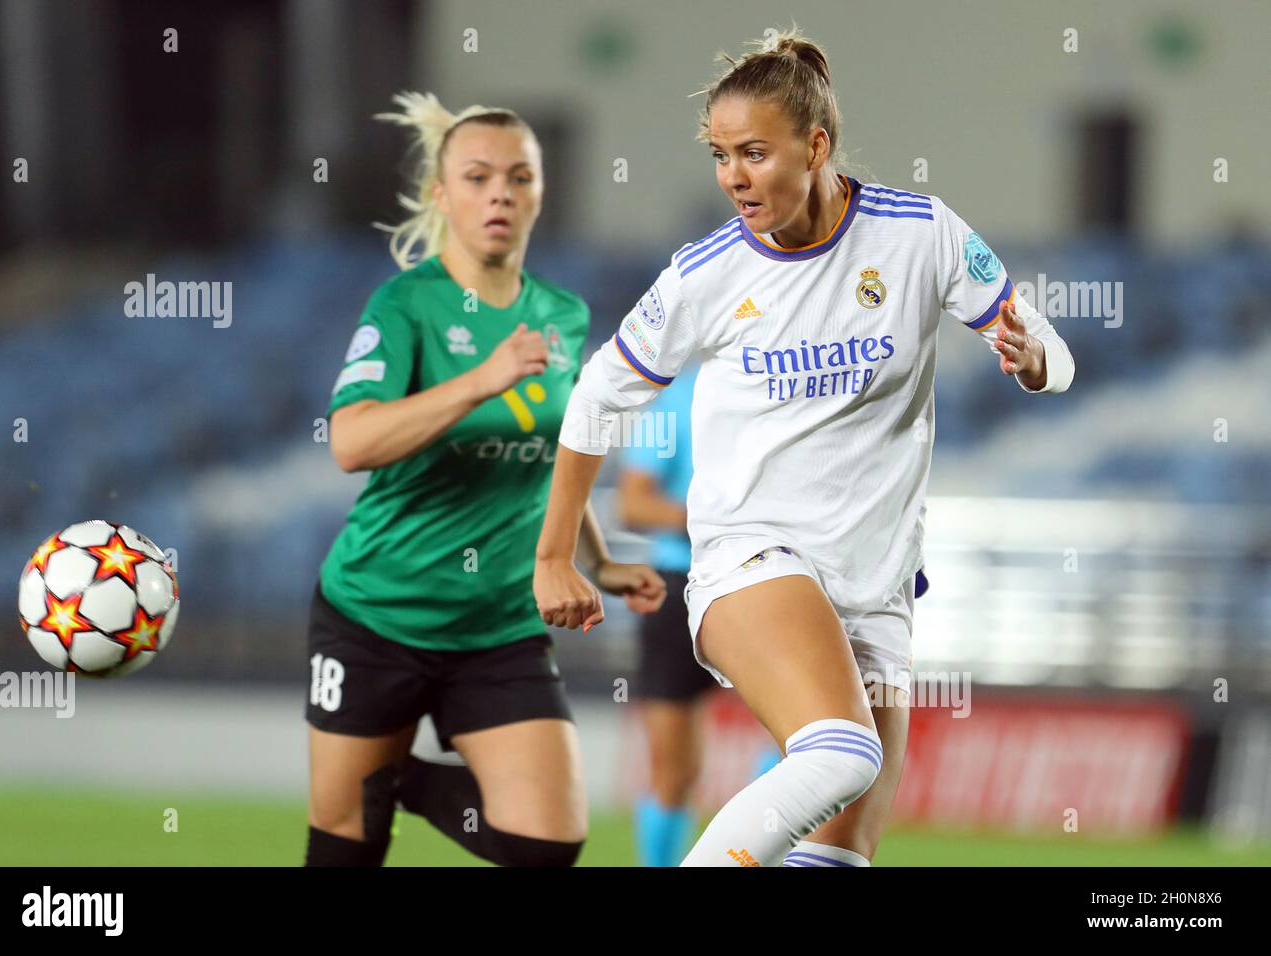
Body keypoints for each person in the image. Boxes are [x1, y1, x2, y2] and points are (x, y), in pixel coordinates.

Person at [533, 28, 1074, 867]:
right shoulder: (705, 275)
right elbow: (598, 394)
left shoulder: (918, 233)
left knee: (839, 858)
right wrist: (554, 549)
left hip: (879, 584)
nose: (733, 178)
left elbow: (1049, 349)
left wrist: (1035, 360)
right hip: (753, 559)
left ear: (816, 145)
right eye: (721, 155)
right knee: (841, 753)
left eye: (754, 153)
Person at [305, 90, 664, 867]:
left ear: (540, 193)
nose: (500, 191)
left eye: (519, 177)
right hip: (377, 613)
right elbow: (351, 442)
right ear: (441, 195)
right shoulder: (406, 305)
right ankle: (377, 786)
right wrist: (480, 380)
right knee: (344, 852)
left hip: (498, 625)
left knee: (547, 845)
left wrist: (594, 559)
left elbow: (554, 455)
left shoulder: (563, 314)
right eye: (476, 177)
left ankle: (392, 777)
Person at [615, 363, 719, 865]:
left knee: (800, 743)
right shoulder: (677, 400)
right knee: (673, 771)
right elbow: (632, 503)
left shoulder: (788, 384)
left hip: (774, 579)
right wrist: (712, 518)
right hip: (678, 587)